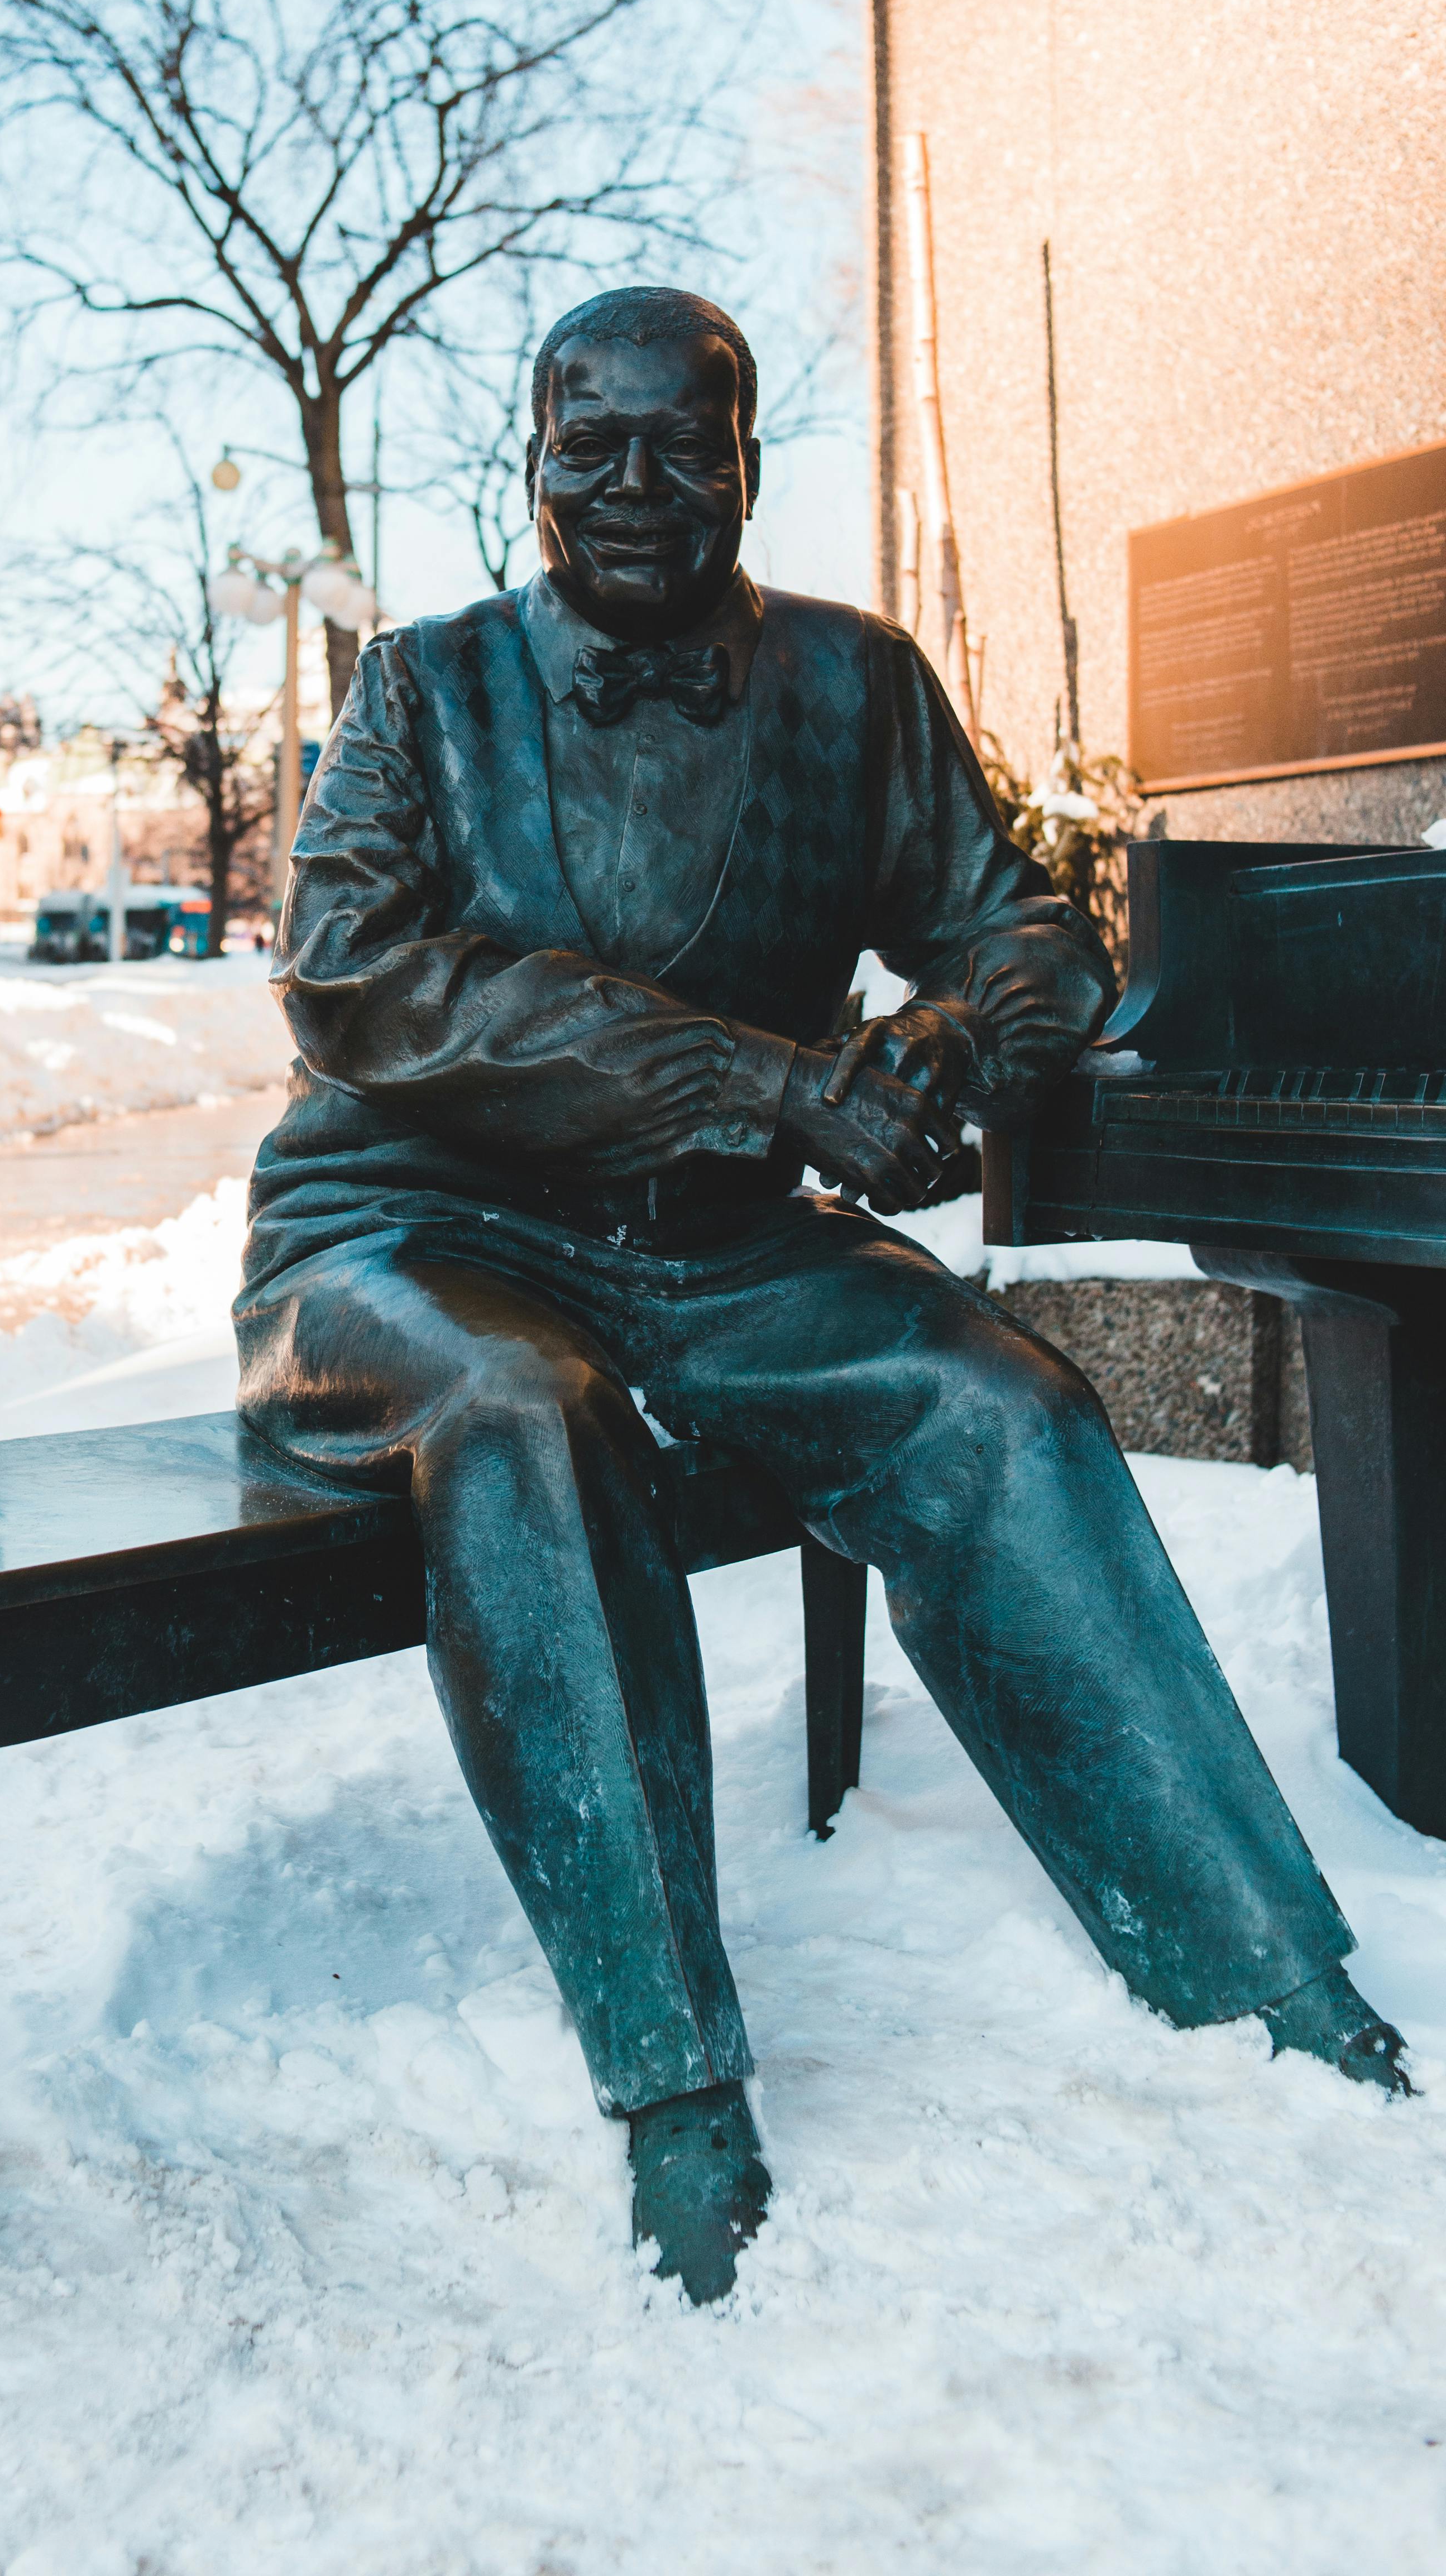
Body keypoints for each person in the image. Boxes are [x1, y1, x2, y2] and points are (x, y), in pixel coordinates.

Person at [234, 286, 1407, 2305]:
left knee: (999, 1403)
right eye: (588, 444)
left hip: (714, 1244)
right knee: (522, 1411)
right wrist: (771, 1080)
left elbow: (1026, 929)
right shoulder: (421, 688)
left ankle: (1261, 1967)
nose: (633, 485)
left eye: (679, 444)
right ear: (531, 464)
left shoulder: (856, 686)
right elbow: (353, 982)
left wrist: (945, 1046)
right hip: (406, 1234)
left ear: (750, 464)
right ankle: (674, 2076)